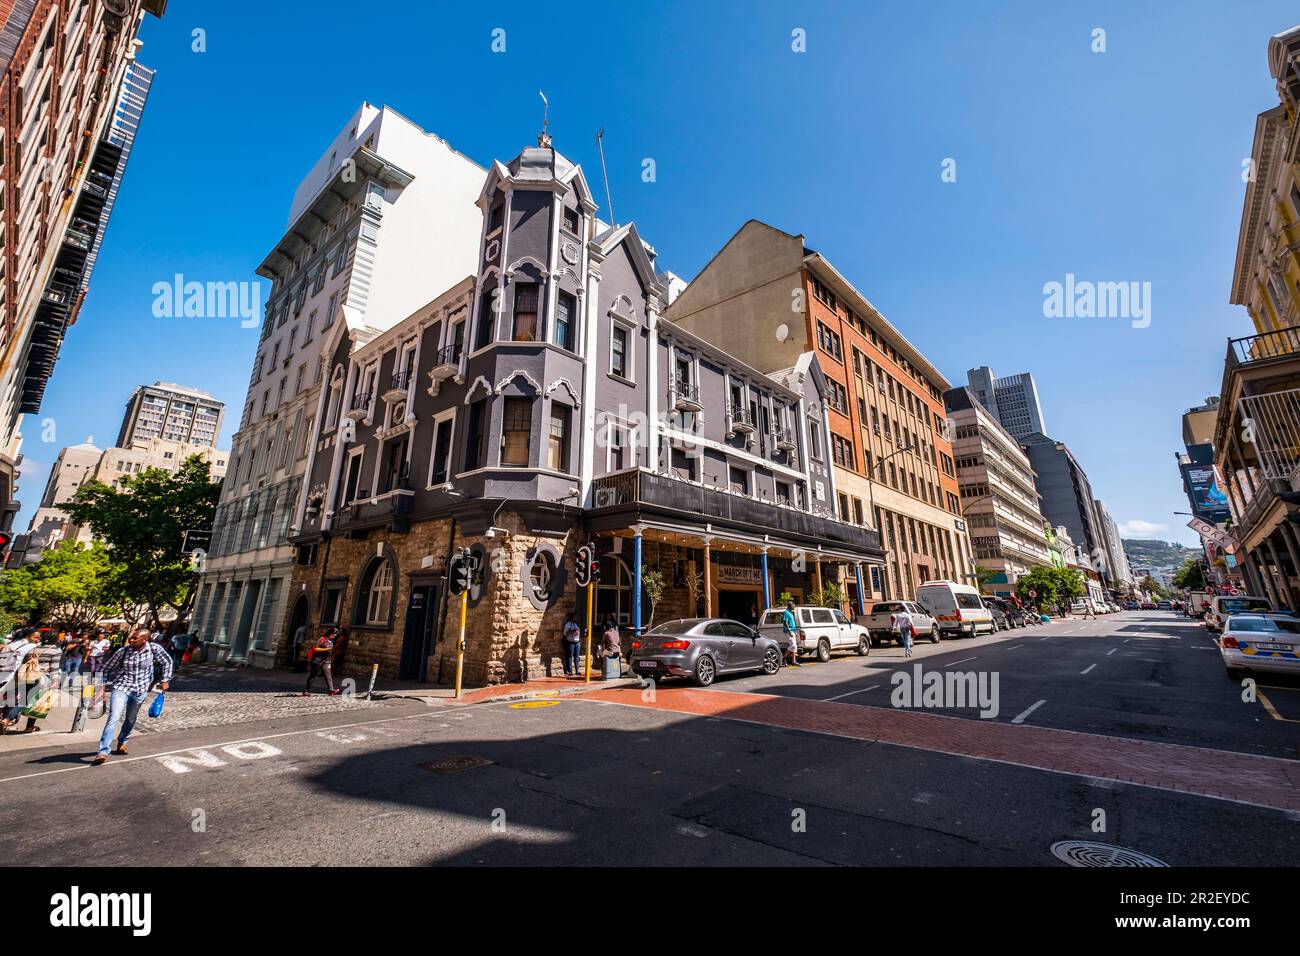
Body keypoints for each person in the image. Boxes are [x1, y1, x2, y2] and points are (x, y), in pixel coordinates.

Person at [92, 628, 172, 764]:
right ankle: (103, 750)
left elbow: (167, 662)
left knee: (130, 718)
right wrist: (101, 688)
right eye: (131, 637)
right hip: (121, 687)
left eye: (135, 638)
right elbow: (105, 669)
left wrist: (165, 679)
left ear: (144, 639)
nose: (131, 640)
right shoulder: (122, 652)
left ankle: (123, 740)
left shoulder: (154, 649)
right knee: (114, 716)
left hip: (140, 689)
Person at [0, 630, 43, 734]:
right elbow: (31, 662)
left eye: (38, 638)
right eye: (35, 637)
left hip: (3, 673)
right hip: (13, 676)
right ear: (28, 636)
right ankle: (6, 721)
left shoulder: (11, 643)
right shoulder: (31, 647)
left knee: (9, 699)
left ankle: (4, 724)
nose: (37, 640)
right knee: (25, 698)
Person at [303, 628, 340, 697]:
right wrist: (326, 649)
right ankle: (306, 691)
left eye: (335, 635)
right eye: (334, 635)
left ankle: (331, 690)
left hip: (326, 661)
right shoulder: (322, 639)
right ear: (330, 633)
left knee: (328, 676)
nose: (334, 636)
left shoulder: (331, 640)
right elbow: (315, 648)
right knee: (313, 675)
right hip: (317, 660)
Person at [781, 600, 801, 667]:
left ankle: (793, 661)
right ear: (790, 606)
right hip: (788, 631)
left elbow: (792, 622)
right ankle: (783, 658)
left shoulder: (791, 612)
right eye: (793, 605)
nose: (794, 606)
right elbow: (785, 622)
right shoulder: (786, 612)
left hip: (793, 631)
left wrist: (795, 631)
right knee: (792, 645)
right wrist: (789, 631)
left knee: (794, 646)